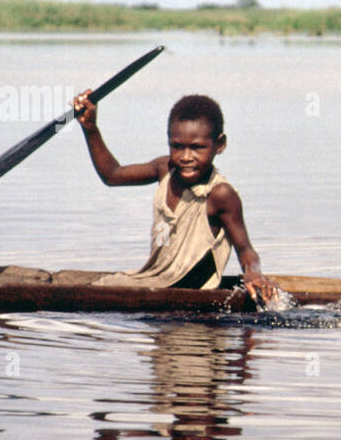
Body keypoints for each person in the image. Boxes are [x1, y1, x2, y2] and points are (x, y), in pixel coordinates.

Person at [73, 90, 277, 303]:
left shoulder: (220, 194)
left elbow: (246, 249)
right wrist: (90, 128)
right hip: (150, 281)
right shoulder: (165, 170)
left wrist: (253, 273)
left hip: (189, 293)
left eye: (197, 147)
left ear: (220, 144)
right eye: (177, 147)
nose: (186, 157)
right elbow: (112, 175)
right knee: (99, 287)